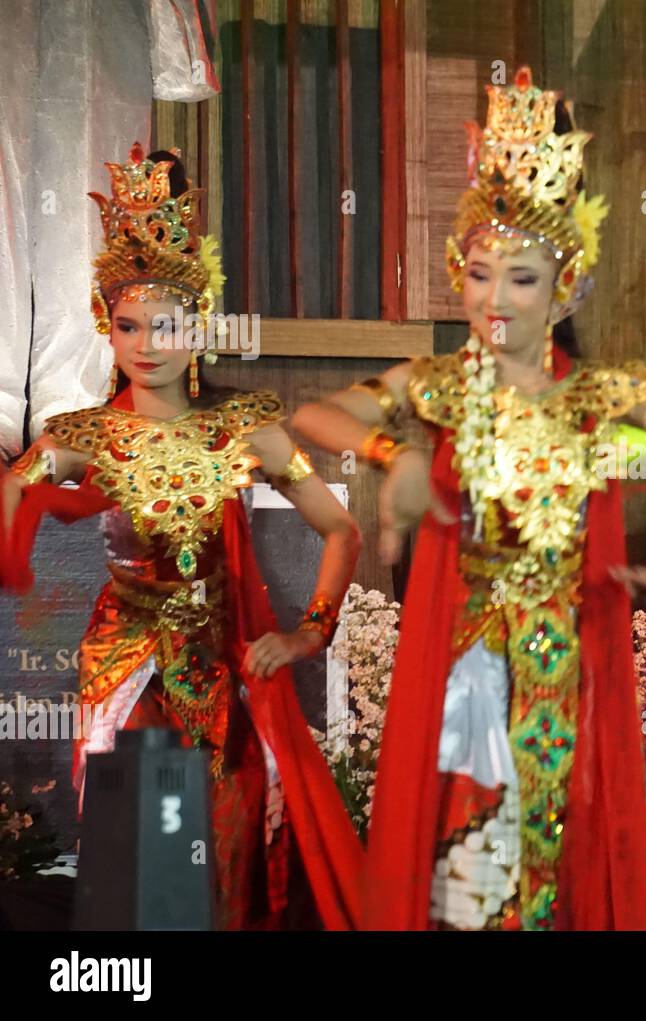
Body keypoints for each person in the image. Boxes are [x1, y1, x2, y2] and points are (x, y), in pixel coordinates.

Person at [290, 67, 646, 930]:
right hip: (464, 664)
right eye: (480, 274)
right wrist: (391, 450)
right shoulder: (432, 383)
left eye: (522, 278)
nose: (496, 299)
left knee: (555, 848)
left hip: (567, 662)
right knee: (469, 863)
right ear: (456, 273)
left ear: (567, 284)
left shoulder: (606, 393)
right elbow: (317, 414)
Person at [1, 145, 364, 930]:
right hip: (128, 671)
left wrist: (310, 632)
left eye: (165, 324)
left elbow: (340, 529)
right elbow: (15, 488)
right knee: (143, 871)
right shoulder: (87, 433)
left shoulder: (245, 428)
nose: (147, 343)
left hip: (219, 670)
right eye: (129, 324)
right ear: (107, 324)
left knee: (227, 861)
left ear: (197, 325)